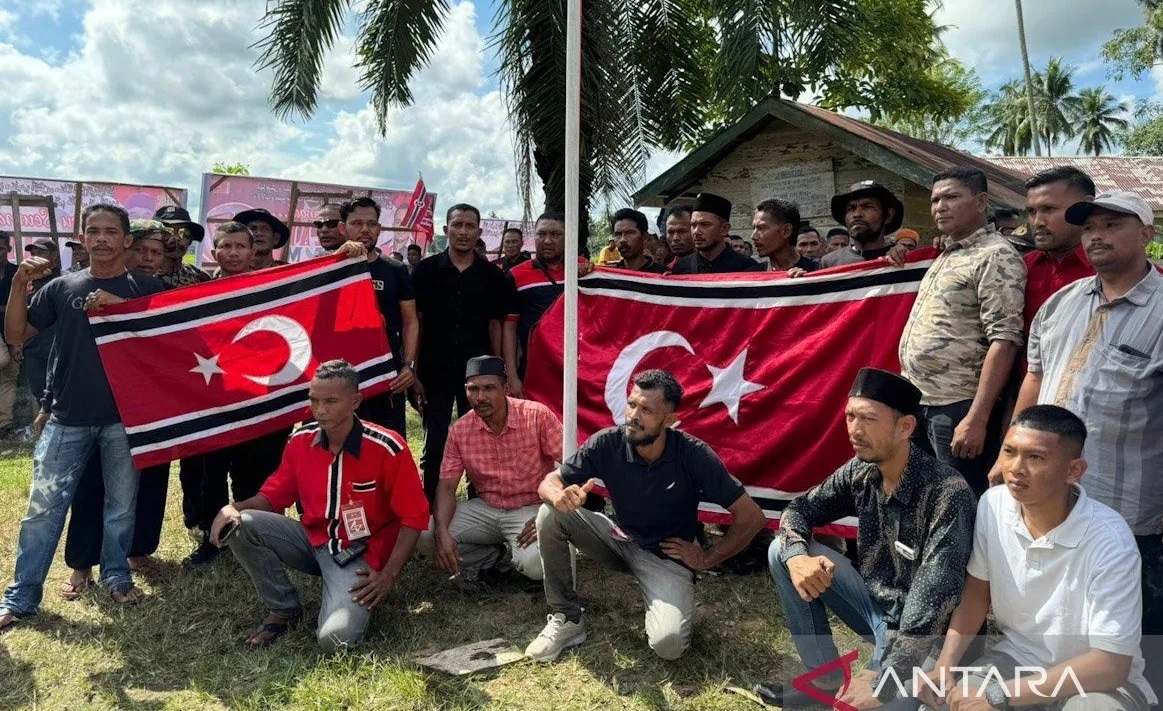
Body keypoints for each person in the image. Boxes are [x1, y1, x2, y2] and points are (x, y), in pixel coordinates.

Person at [754, 368, 976, 708]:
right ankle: (824, 678)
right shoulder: (860, 469)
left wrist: (886, 680)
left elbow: (931, 603)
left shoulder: (948, 493)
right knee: (780, 552)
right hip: (875, 610)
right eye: (850, 417)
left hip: (925, 638)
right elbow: (799, 510)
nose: (855, 431)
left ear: (905, 427)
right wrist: (798, 557)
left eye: (869, 419)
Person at [1014, 190, 1163, 692]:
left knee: (1136, 643)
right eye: (1090, 225)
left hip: (1131, 508)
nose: (1096, 234)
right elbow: (1034, 377)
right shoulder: (1061, 303)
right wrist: (1009, 450)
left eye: (1113, 224)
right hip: (1054, 501)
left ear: (1147, 233)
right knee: (1059, 621)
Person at [0, 204, 168, 631]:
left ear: (126, 240)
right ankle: (21, 596)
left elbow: (169, 343)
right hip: (66, 417)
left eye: (112, 231)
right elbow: (17, 335)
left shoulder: (148, 287)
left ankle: (116, 574)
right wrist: (20, 284)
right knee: (42, 510)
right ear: (84, 238)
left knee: (121, 506)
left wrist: (123, 309)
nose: (102, 239)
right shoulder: (61, 286)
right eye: (94, 231)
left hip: (126, 419)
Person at [922, 405, 1156, 711]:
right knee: (952, 702)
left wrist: (1000, 695)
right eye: (1009, 452)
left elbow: (1110, 664)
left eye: (1035, 457)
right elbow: (977, 594)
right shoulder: (993, 505)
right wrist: (945, 664)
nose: (1017, 467)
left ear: (1074, 471)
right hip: (1017, 660)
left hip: (1091, 681)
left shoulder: (1109, 539)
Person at [525, 370, 765, 662]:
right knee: (550, 514)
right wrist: (558, 496)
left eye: (646, 410)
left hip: (665, 557)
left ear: (668, 420)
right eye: (632, 404)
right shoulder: (607, 443)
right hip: (619, 540)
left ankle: (669, 599)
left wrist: (707, 558)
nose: (634, 415)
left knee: (669, 646)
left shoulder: (693, 455)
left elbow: (751, 517)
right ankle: (568, 619)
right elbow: (548, 482)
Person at [210, 360, 429, 651]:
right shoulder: (300, 441)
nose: (320, 410)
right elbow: (271, 499)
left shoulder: (387, 447)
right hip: (313, 541)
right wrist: (231, 508)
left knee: (336, 640)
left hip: (361, 555)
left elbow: (414, 517)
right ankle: (283, 609)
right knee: (242, 524)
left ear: (355, 402)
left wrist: (388, 575)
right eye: (314, 400)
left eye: (330, 401)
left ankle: (343, 594)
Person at [62, 220, 176, 585]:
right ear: (126, 247)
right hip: (101, 403)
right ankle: (82, 563)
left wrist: (124, 306)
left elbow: (164, 333)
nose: (147, 257)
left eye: (155, 252)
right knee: (91, 483)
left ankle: (138, 550)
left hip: (151, 405)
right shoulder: (83, 285)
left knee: (149, 480)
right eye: (141, 250)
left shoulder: (156, 288)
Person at [899, 166, 1025, 496]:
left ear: (981, 201)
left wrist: (977, 418)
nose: (940, 206)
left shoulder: (995, 255)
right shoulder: (948, 253)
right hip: (920, 400)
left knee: (958, 505)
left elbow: (1006, 339)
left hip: (958, 406)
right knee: (925, 500)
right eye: (935, 199)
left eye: (951, 197)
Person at [412, 204, 516, 503]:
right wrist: (414, 371)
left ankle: (481, 505)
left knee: (483, 441)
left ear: (479, 232)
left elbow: (496, 325)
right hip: (435, 371)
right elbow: (416, 323)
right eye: (457, 225)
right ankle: (431, 511)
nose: (463, 232)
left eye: (470, 226)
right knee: (436, 444)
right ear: (446, 230)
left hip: (479, 376)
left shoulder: (493, 276)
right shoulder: (425, 271)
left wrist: (499, 371)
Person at [432, 357, 561, 587]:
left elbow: (572, 466)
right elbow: (447, 486)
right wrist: (442, 530)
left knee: (535, 565)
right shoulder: (459, 431)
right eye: (473, 389)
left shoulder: (536, 416)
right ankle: (493, 559)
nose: (480, 397)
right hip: (487, 509)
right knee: (427, 533)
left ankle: (525, 558)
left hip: (530, 507)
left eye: (489, 388)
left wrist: (547, 512)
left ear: (506, 388)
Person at [338, 196, 418, 437]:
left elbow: (410, 322)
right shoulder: (326, 268)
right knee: (342, 446)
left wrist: (409, 365)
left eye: (371, 224)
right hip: (340, 377)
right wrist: (338, 258)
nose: (365, 230)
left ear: (379, 229)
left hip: (387, 375)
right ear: (343, 228)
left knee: (388, 444)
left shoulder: (396, 269)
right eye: (357, 223)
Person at [1021, 166, 1097, 332]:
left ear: (1085, 207)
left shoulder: (1116, 271)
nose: (1037, 222)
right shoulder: (1020, 268)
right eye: (1032, 211)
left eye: (1049, 209)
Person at [670, 193, 764, 274]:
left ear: (724, 229)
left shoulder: (746, 267)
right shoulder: (681, 268)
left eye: (705, 224)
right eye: (693, 225)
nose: (696, 231)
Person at [819, 181, 904, 268]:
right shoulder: (830, 262)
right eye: (851, 208)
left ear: (888, 216)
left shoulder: (901, 258)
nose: (857, 214)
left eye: (867, 206)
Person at [152, 206, 212, 287]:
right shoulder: (143, 275)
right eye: (167, 231)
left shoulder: (201, 278)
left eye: (183, 232)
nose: (176, 237)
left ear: (190, 241)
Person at [752, 199, 817, 273]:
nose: (753, 236)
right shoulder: (752, 275)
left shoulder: (816, 272)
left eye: (761, 228)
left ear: (786, 231)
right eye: (754, 228)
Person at [0, 230, 18, 440]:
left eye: (1, 249)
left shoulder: (16, 274)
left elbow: (23, 305)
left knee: (9, 379)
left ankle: (5, 423)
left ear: (9, 249)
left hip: (12, 334)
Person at [608, 208, 666, 273]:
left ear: (645, 237)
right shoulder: (609, 276)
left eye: (630, 233)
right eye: (618, 234)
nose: (623, 239)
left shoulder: (663, 276)